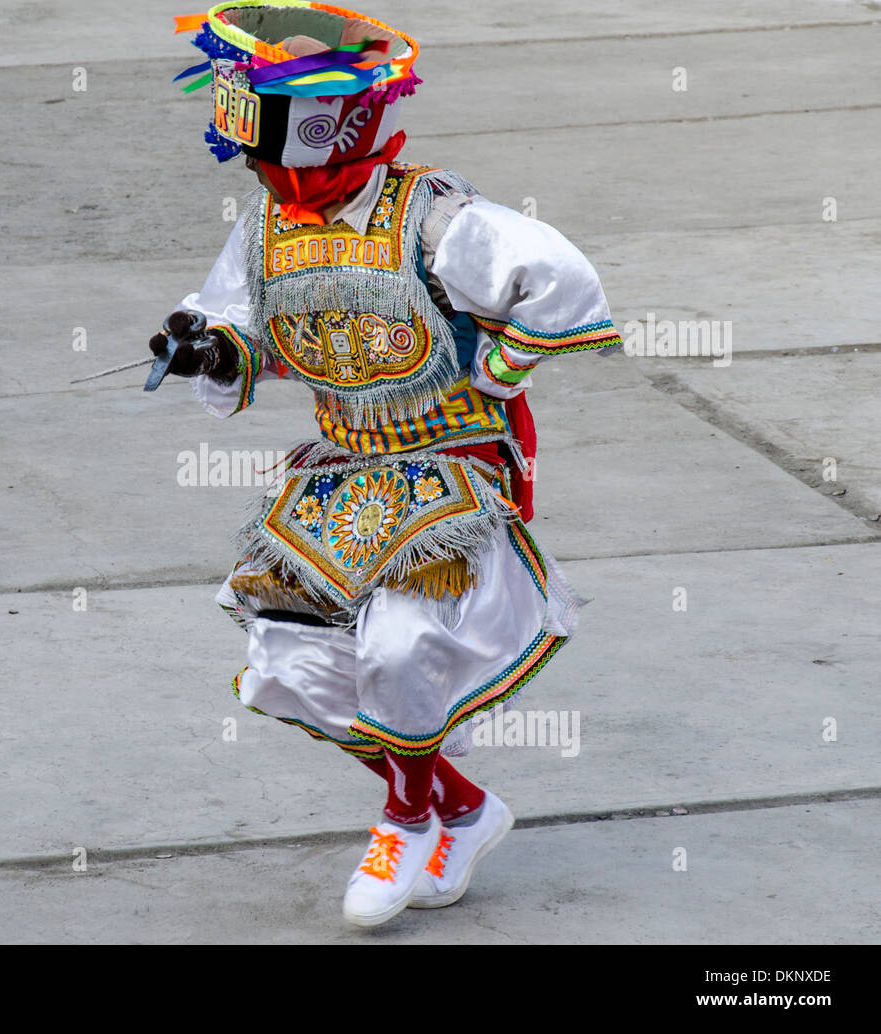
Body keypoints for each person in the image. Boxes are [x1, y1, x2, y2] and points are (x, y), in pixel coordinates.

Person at [150, 1, 622, 928]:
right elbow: (248, 329)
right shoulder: (266, 226)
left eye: (269, 147)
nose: (257, 165)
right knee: (290, 659)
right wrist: (208, 351)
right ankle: (464, 806)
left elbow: (558, 282)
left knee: (400, 645)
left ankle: (406, 813)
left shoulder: (437, 218)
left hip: (448, 468)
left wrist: (499, 366)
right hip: (339, 468)